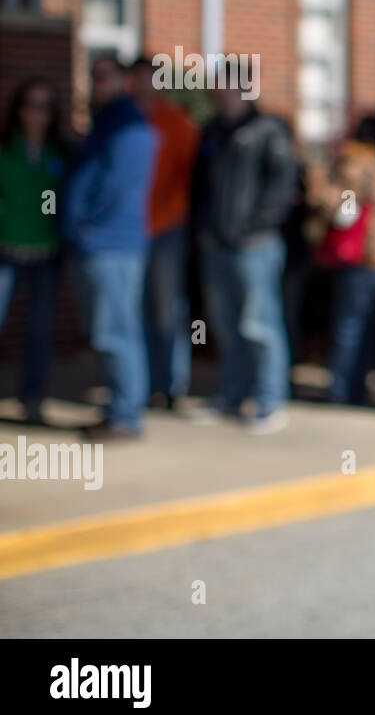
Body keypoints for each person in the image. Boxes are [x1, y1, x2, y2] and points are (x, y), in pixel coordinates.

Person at [189, 80, 297, 433]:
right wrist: (205, 230)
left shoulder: (268, 129)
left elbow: (282, 186)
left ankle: (270, 400)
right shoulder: (214, 132)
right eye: (216, 88)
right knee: (226, 326)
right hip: (217, 246)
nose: (220, 94)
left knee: (260, 325)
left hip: (256, 246)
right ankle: (232, 395)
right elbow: (201, 186)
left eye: (228, 87)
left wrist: (253, 226)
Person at [63, 57, 158, 439]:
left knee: (117, 331)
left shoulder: (128, 123)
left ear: (123, 81)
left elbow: (121, 184)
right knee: (109, 330)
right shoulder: (107, 120)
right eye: (93, 76)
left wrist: (88, 226)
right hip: (100, 244)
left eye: (105, 77)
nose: (97, 84)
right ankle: (121, 407)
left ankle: (125, 416)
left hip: (112, 245)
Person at [126, 57, 200, 408]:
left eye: (149, 79)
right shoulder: (121, 118)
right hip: (128, 229)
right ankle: (140, 384)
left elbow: (191, 174)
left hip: (166, 226)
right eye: (137, 79)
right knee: (135, 308)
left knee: (167, 306)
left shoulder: (176, 122)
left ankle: (171, 384)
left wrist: (174, 212)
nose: (143, 86)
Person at [305, 117, 375, 405]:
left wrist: (318, 188)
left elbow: (344, 208)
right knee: (367, 327)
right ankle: (357, 387)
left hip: (359, 256)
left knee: (349, 325)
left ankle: (341, 389)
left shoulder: (355, 163)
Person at [0, 78, 68, 422]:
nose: (38, 113)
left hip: (46, 255)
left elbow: (59, 203)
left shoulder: (61, 152)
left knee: (39, 331)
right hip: (7, 251)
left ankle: (33, 398)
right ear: (19, 109)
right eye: (31, 104)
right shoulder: (5, 148)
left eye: (45, 106)